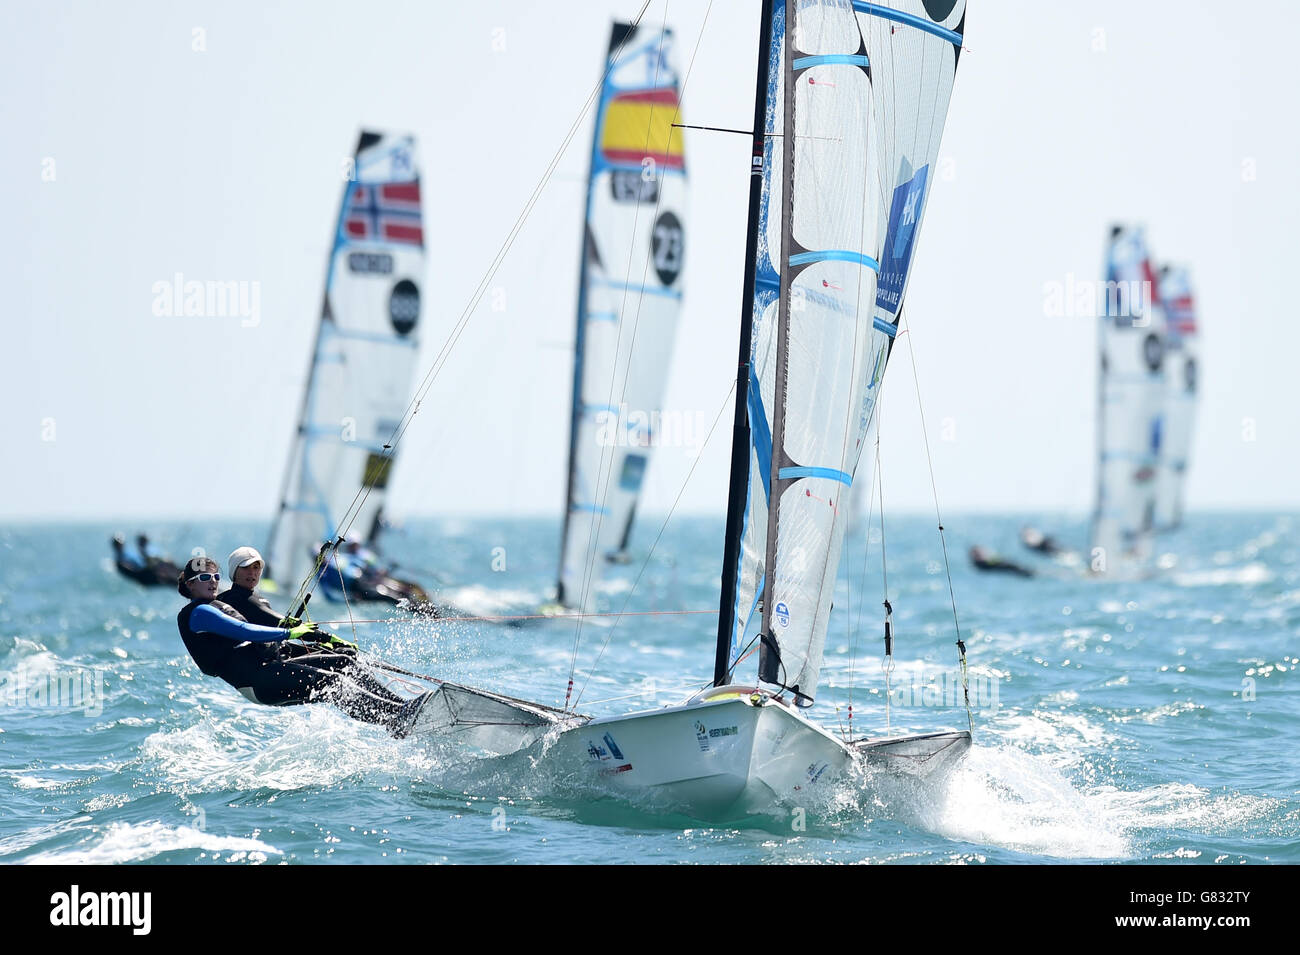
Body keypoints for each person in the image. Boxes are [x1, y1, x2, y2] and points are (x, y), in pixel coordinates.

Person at [175, 555, 428, 736]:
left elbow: (259, 626)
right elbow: (244, 630)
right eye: (204, 577)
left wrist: (319, 642)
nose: (212, 581)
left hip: (268, 667)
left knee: (343, 662)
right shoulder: (198, 614)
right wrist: (288, 632)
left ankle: (400, 708)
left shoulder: (219, 603)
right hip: (256, 682)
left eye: (215, 576)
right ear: (190, 584)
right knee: (332, 683)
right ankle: (393, 718)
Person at [221, 546, 296, 627]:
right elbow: (266, 615)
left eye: (256, 567)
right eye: (245, 567)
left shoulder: (260, 600)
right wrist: (295, 625)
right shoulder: (233, 599)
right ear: (234, 571)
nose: (252, 572)